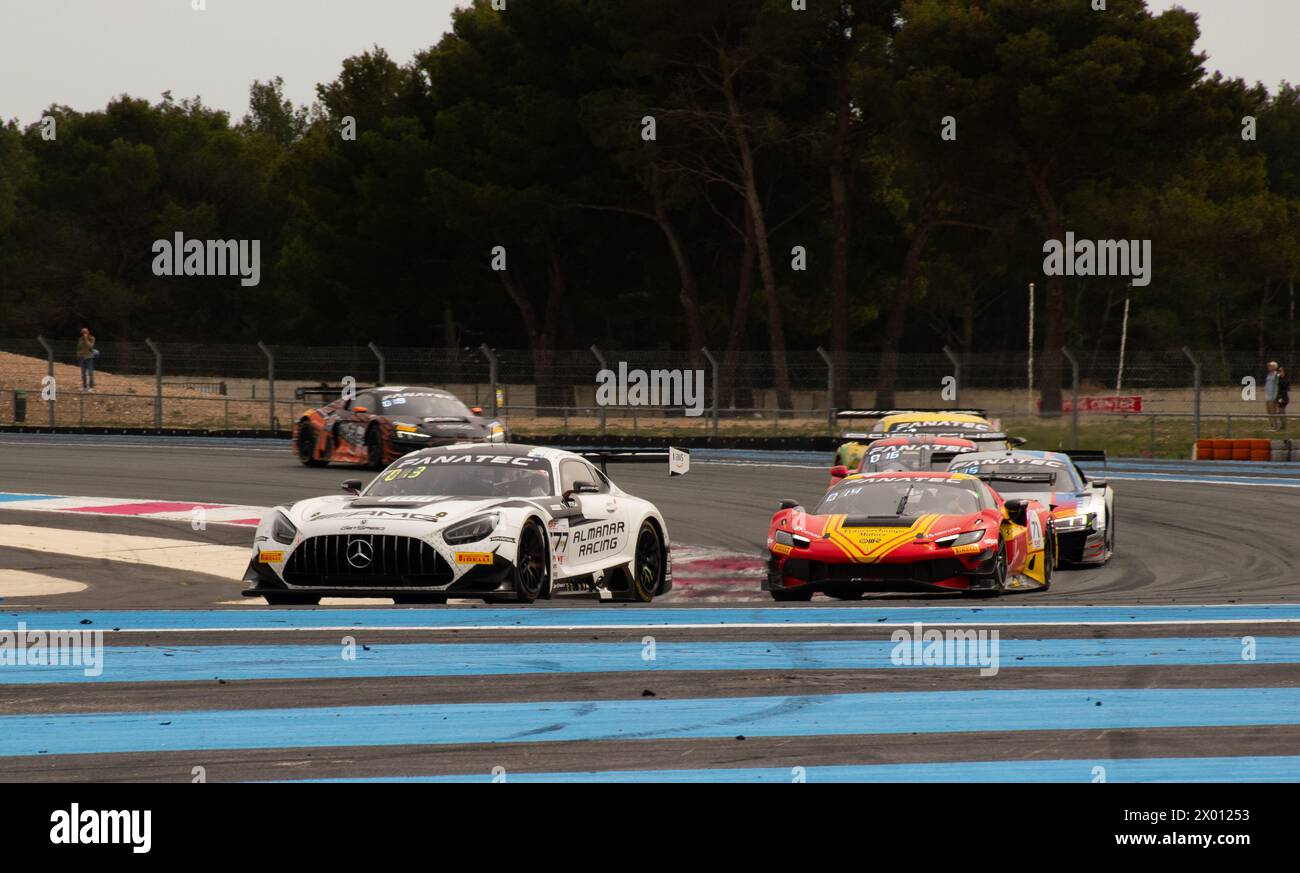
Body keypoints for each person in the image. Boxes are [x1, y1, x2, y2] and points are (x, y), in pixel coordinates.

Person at [76, 327, 96, 392]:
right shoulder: (80, 339)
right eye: (83, 332)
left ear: (88, 332)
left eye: (85, 332)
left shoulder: (92, 338)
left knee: (90, 373)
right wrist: (78, 355)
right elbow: (79, 347)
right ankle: (84, 387)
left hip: (89, 358)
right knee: (83, 374)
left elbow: (90, 346)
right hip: (82, 358)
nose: (84, 333)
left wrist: (86, 338)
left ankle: (91, 387)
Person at [1264, 361, 1280, 430]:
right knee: (1268, 411)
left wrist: (1276, 395)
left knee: (1273, 411)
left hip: (1273, 395)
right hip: (1267, 395)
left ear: (1274, 367)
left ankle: (1275, 426)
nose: (1269, 367)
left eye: (1270, 366)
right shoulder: (1268, 374)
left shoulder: (1276, 375)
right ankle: (1271, 425)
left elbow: (1277, 384)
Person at [1278, 366, 1291, 432]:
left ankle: (1284, 426)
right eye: (1279, 371)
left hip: (1284, 398)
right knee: (1281, 411)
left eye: (1281, 371)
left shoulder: (1286, 379)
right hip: (1280, 397)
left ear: (1284, 372)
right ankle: (1283, 425)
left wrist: (1281, 397)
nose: (1280, 372)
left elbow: (1287, 389)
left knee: (1282, 411)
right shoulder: (1278, 379)